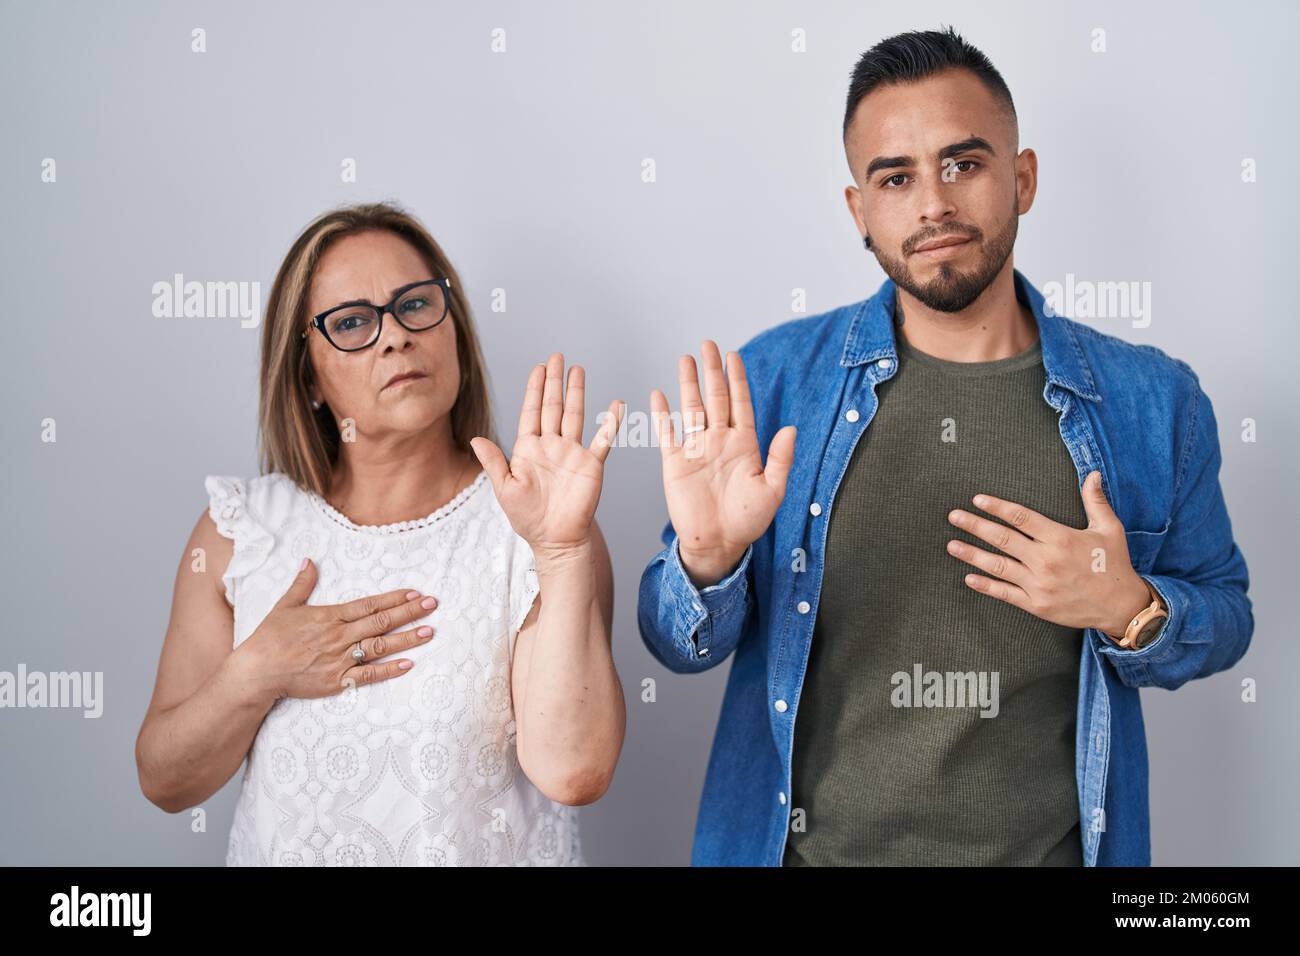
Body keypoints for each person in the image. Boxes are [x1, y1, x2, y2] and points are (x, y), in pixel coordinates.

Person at [636, 27, 1252, 866]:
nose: (933, 204)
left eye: (963, 163)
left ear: (1022, 178)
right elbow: (678, 645)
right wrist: (706, 563)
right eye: (896, 177)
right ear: (860, 210)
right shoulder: (772, 382)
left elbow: (1226, 615)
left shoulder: (1153, 399)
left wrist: (1126, 606)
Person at [136, 201, 626, 865]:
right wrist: (257, 672)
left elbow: (575, 772)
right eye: (352, 323)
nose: (395, 336)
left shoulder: (535, 529)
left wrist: (562, 553)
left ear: (453, 328)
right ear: (308, 374)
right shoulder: (238, 533)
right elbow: (165, 782)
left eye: (415, 304)